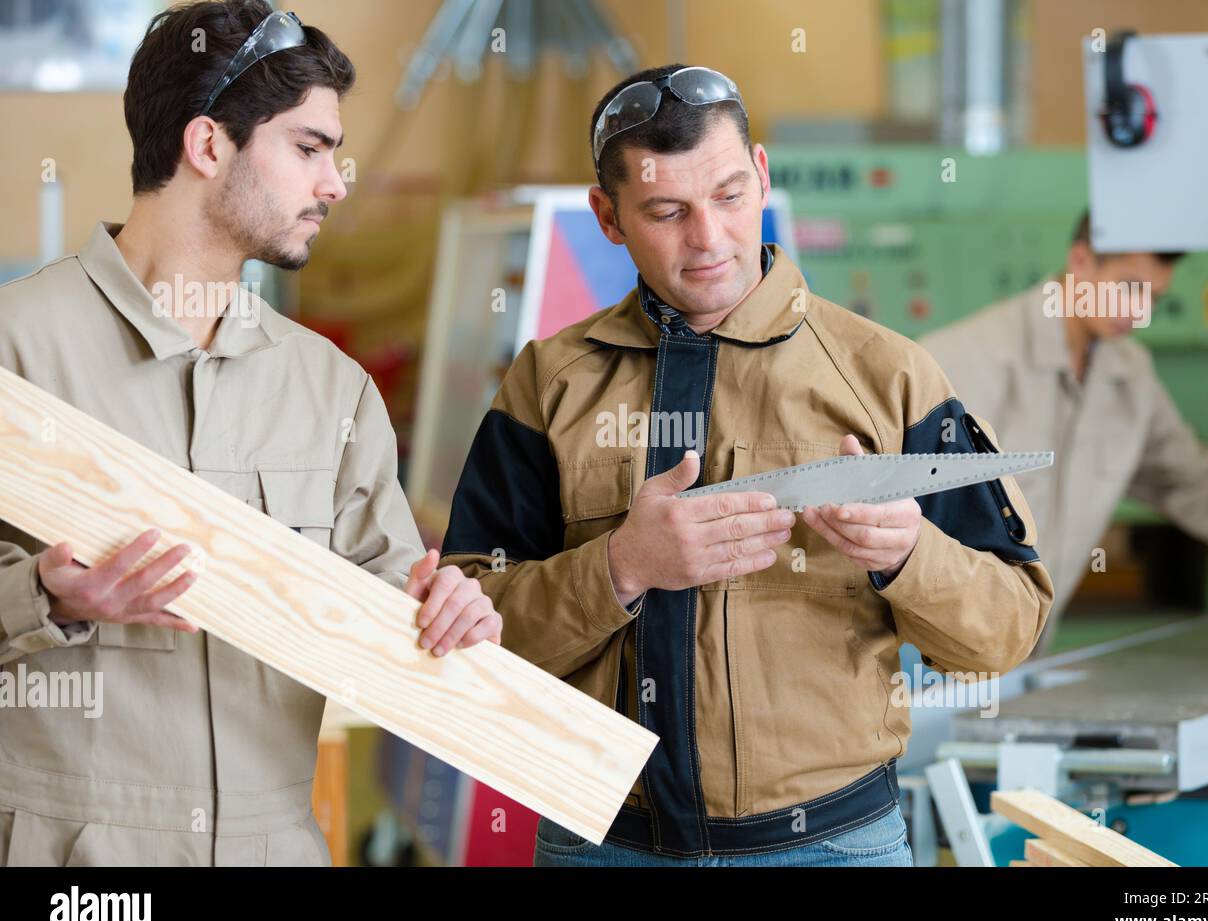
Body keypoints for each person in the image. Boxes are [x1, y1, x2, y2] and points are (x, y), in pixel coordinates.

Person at [438, 64, 1054, 866]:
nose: (709, 239)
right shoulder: (546, 385)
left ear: (761, 175)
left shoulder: (888, 376)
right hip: (601, 844)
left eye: (729, 195)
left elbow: (1008, 630)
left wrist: (910, 556)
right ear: (608, 217)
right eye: (667, 211)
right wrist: (621, 567)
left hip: (830, 848)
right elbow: (466, 636)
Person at [0, 0, 499, 867]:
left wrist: (442, 614)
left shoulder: (332, 391)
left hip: (276, 847)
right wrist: (44, 599)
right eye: (309, 148)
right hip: (63, 855)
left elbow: (388, 626)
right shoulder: (15, 351)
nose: (336, 182)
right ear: (207, 145)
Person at [920, 213, 1208, 655]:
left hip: (1022, 653)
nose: (1140, 314)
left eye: (1154, 297)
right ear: (1080, 261)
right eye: (1129, 288)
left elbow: (1196, 485)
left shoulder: (1129, 376)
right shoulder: (962, 361)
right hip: (923, 654)